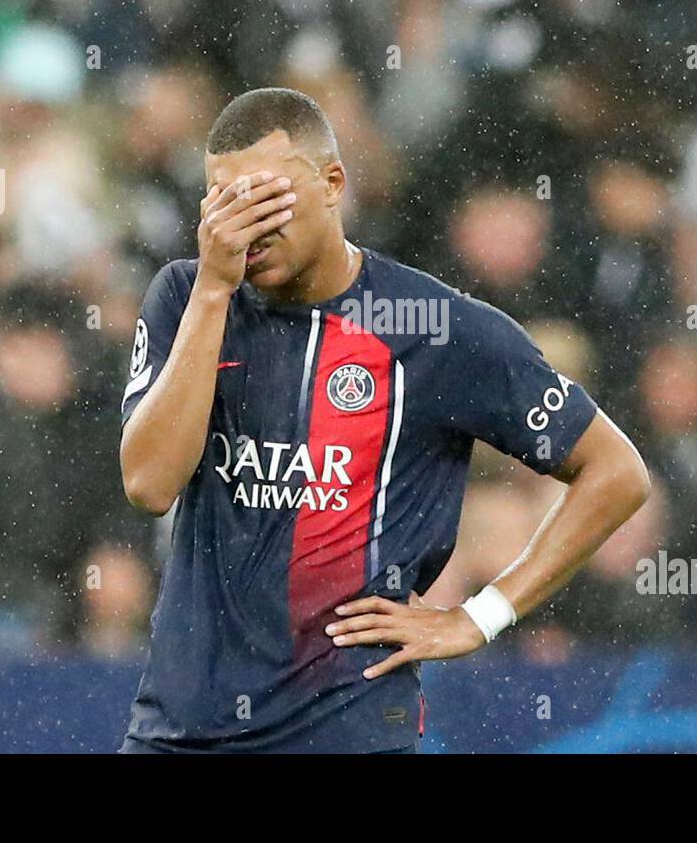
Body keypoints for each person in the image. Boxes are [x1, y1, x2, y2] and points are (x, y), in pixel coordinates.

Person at [118, 87, 650, 753]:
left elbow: (616, 471)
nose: (248, 227)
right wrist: (214, 291)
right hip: (183, 728)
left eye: (269, 200)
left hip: (347, 729)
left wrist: (481, 616)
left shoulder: (434, 329)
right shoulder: (186, 298)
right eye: (228, 203)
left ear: (333, 183)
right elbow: (148, 484)